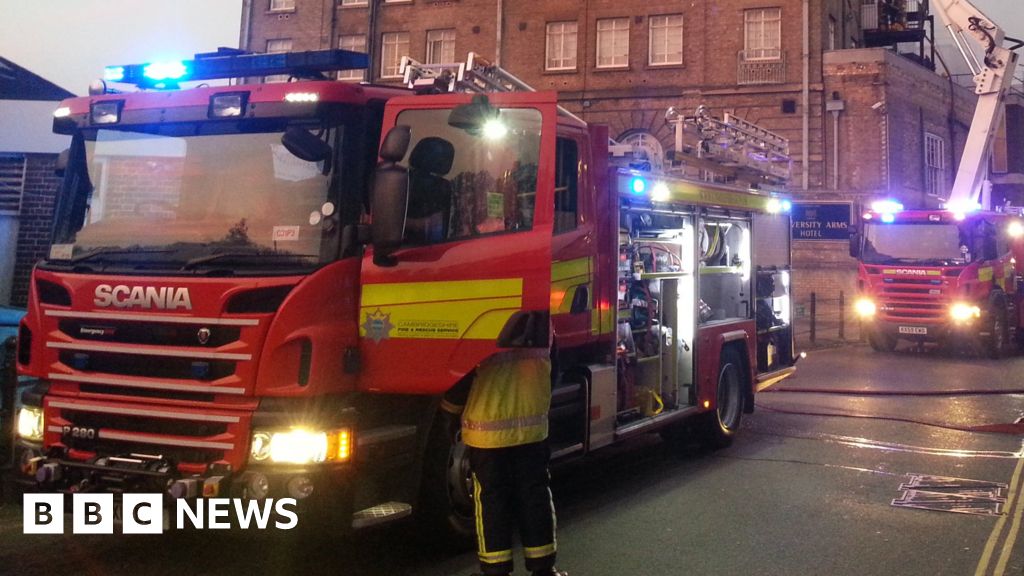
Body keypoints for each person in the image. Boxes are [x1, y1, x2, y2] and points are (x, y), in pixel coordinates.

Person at [442, 326, 567, 576]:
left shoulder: (481, 324)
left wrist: (449, 412)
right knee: (535, 496)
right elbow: (553, 373)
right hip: (531, 432)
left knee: (492, 501)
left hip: (488, 435)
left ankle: (496, 570)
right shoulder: (545, 324)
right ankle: (544, 568)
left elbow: (461, 380)